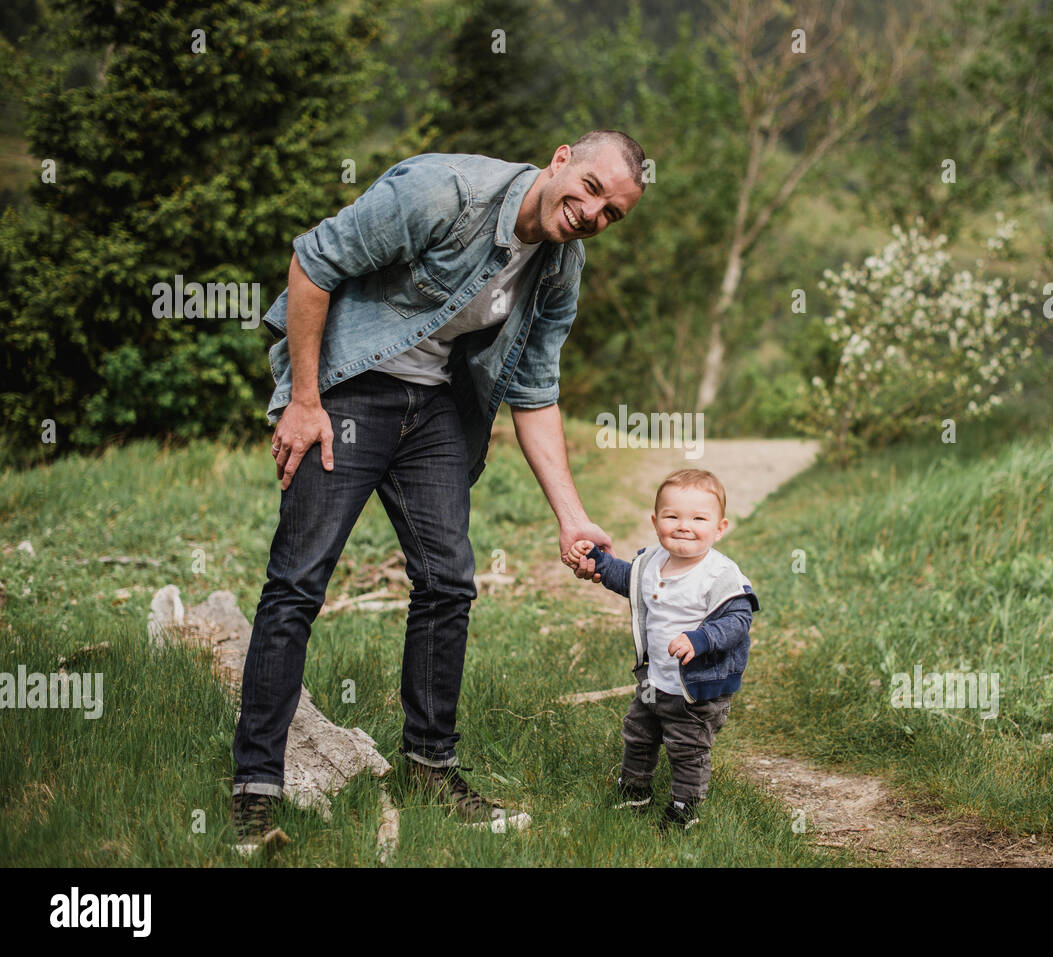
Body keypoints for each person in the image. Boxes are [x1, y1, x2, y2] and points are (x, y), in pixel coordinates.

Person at [231, 131, 645, 849]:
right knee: (298, 581)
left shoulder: (560, 266)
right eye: (591, 189)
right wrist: (304, 400)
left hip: (435, 408)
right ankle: (256, 789)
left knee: (449, 581)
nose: (593, 214)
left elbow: (535, 389)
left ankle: (429, 767)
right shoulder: (444, 192)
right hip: (350, 385)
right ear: (561, 159)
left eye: (613, 213)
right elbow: (312, 263)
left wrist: (571, 516)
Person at [566, 468, 760, 831]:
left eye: (699, 518)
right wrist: (596, 560)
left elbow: (738, 620)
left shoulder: (720, 575)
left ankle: (684, 807)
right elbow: (627, 578)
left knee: (687, 748)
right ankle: (635, 790)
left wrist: (700, 639)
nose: (684, 526)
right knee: (638, 733)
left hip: (697, 688)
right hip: (655, 681)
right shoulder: (652, 562)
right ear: (656, 522)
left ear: (720, 528)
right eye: (672, 517)